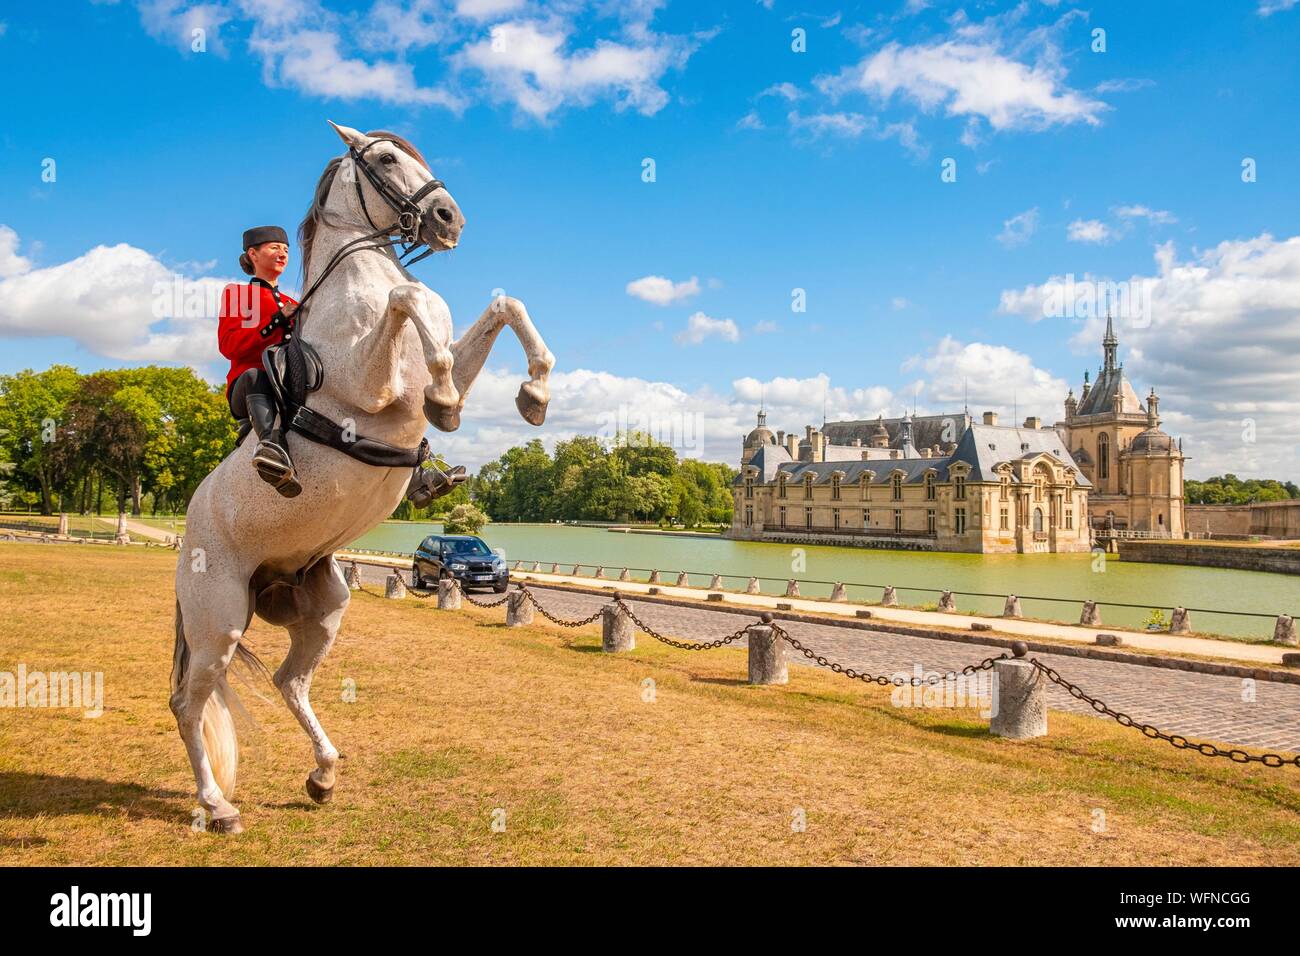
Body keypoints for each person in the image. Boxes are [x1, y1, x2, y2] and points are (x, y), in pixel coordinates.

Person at [219, 225, 302, 497]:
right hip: (248, 389)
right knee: (257, 374)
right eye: (275, 248)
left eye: (287, 250)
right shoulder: (237, 295)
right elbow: (229, 345)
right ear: (253, 254)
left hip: (289, 389)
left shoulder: (293, 300)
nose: (283, 254)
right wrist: (276, 320)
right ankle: (271, 448)